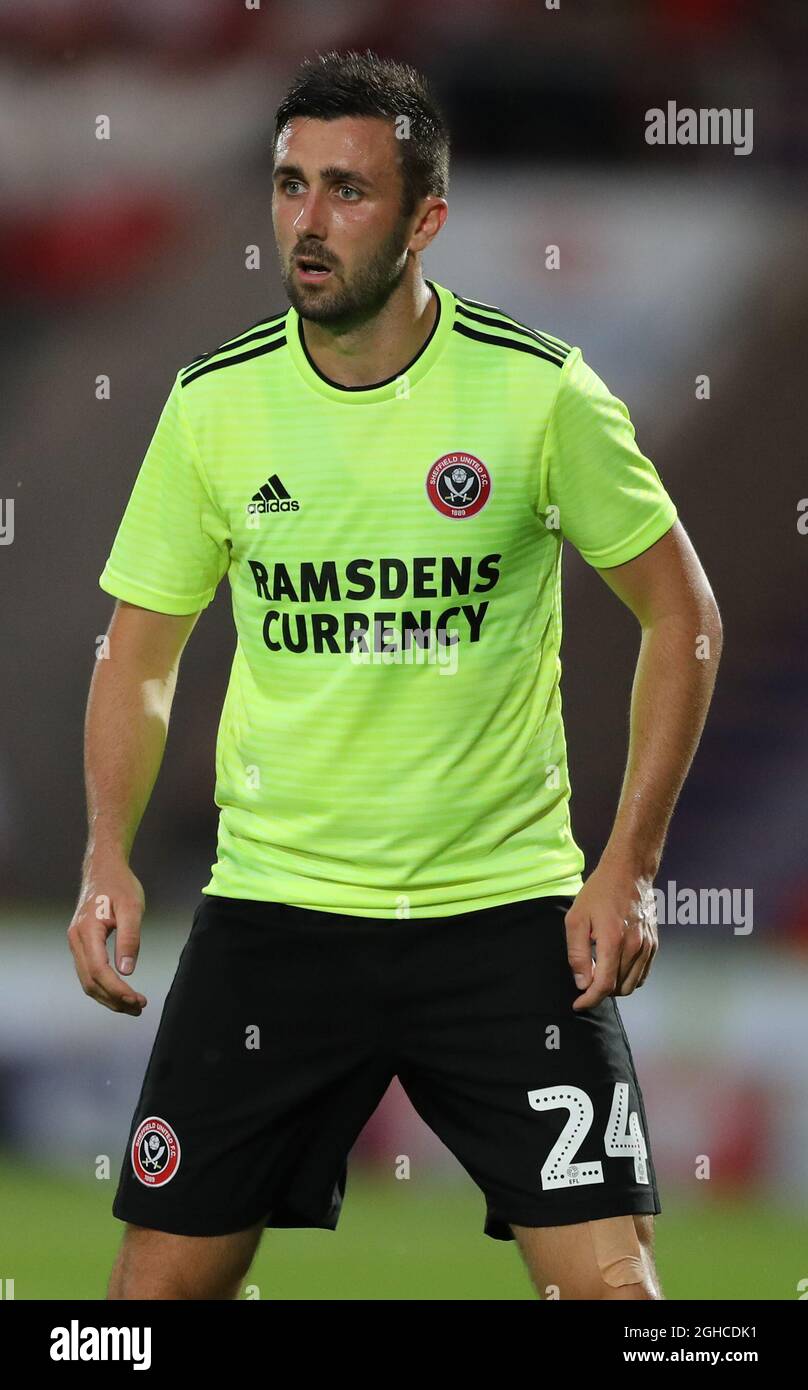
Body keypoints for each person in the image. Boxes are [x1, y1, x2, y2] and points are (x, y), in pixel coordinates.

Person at [69, 50, 722, 1301]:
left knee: (618, 1302)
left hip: (503, 917)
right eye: (289, 185)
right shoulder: (213, 407)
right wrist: (108, 850)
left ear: (426, 217)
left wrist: (628, 866)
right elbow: (137, 654)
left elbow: (682, 619)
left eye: (348, 192)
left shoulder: (536, 397)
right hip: (278, 911)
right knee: (147, 1307)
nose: (307, 225)